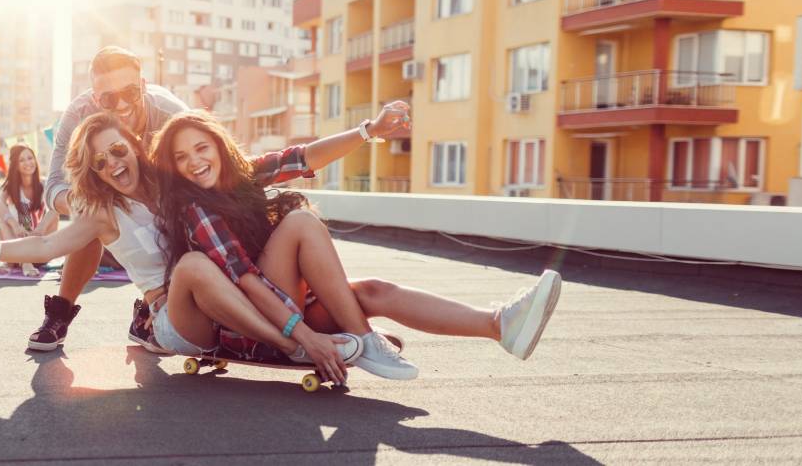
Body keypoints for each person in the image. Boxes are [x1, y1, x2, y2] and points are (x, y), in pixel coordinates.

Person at [0, 112, 407, 385]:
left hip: (227, 301)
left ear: (134, 146)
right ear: (91, 172)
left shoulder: (174, 181)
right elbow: (47, 243)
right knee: (194, 266)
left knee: (214, 262)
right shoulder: (100, 212)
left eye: (118, 151)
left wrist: (366, 132)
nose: (114, 165)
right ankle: (297, 346)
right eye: (100, 162)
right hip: (177, 317)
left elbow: (285, 162)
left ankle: (336, 337)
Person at [149, 109, 562, 372]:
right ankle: (365, 340)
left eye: (200, 148)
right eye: (181, 158)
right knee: (300, 223)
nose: (194, 162)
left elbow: (304, 157)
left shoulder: (244, 177)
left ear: (219, 147)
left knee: (375, 291)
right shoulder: (196, 208)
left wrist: (370, 130)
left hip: (285, 298)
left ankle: (500, 326)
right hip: (253, 320)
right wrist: (304, 336)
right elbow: (246, 281)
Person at [31, 45, 188, 352]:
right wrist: (86, 205)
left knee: (181, 210)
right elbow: (52, 187)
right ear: (94, 98)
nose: (122, 105)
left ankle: (150, 308)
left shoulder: (173, 115)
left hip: (162, 189)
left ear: (143, 85)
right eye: (109, 98)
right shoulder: (77, 116)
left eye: (130, 92)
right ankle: (60, 312)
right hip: (102, 190)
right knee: (88, 214)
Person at [0, 144, 58, 277]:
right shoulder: (10, 187)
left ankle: (25, 259)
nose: (28, 163)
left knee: (55, 212)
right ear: (15, 166)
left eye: (30, 158)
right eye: (22, 160)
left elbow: (56, 208)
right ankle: (24, 261)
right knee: (2, 218)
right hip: (15, 244)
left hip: (37, 246)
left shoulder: (44, 185)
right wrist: (15, 226)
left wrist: (40, 229)